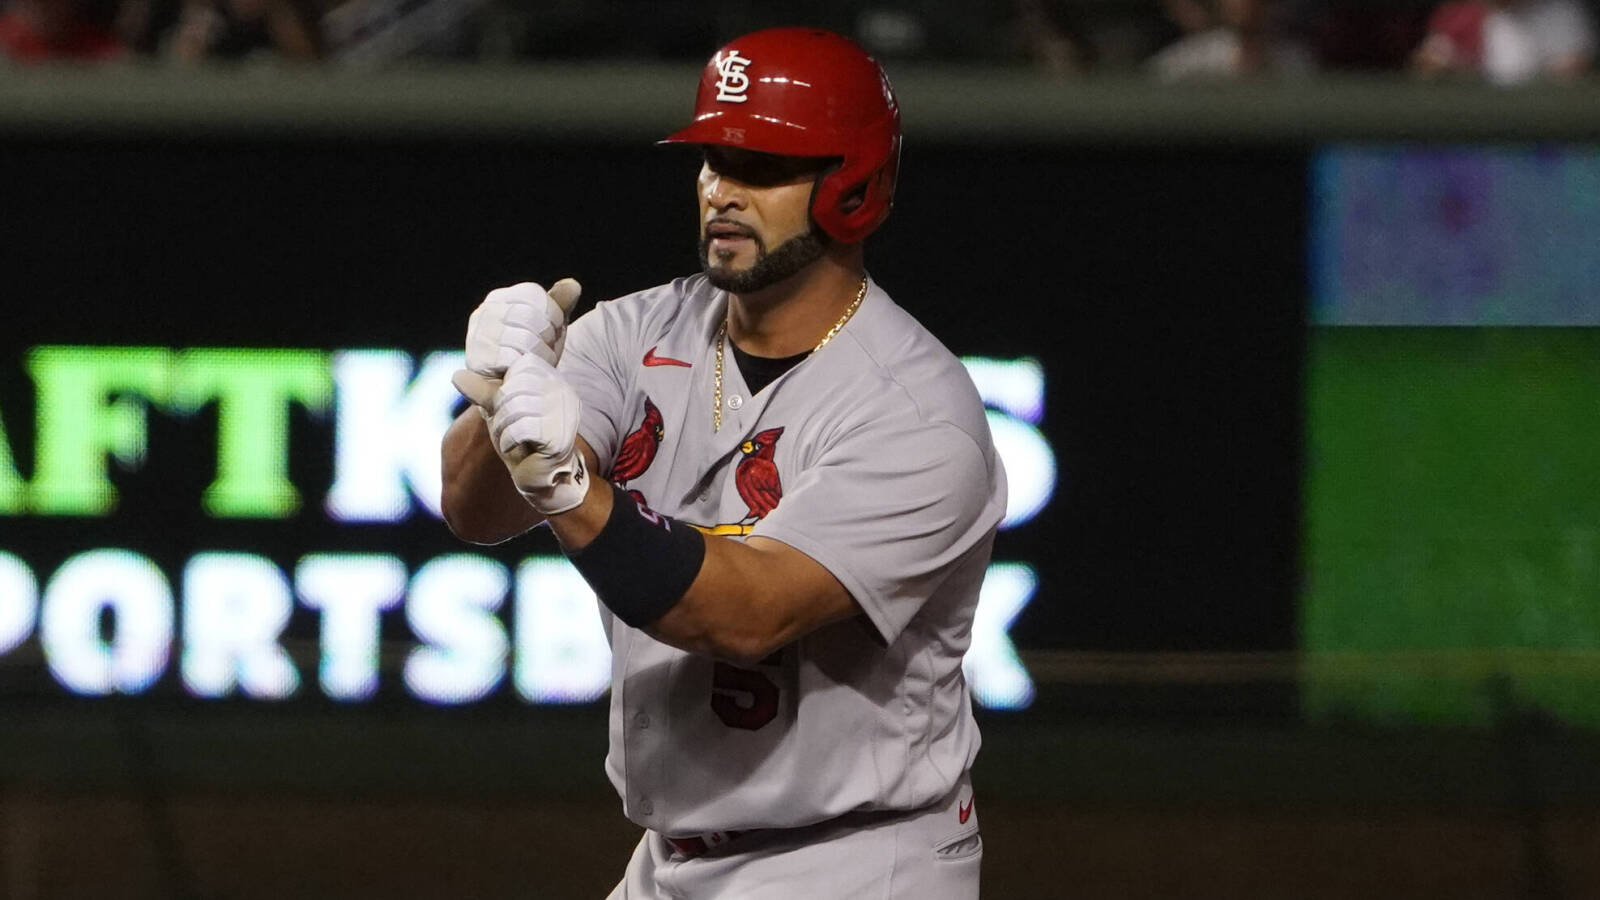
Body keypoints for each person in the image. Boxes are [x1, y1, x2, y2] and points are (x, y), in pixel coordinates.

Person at [440, 26, 1004, 900]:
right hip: (671, 856)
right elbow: (475, 511)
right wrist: (499, 398)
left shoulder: (916, 413)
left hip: (852, 858)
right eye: (714, 159)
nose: (722, 192)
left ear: (853, 185)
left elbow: (742, 615)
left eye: (766, 167)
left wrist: (569, 487)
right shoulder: (638, 332)